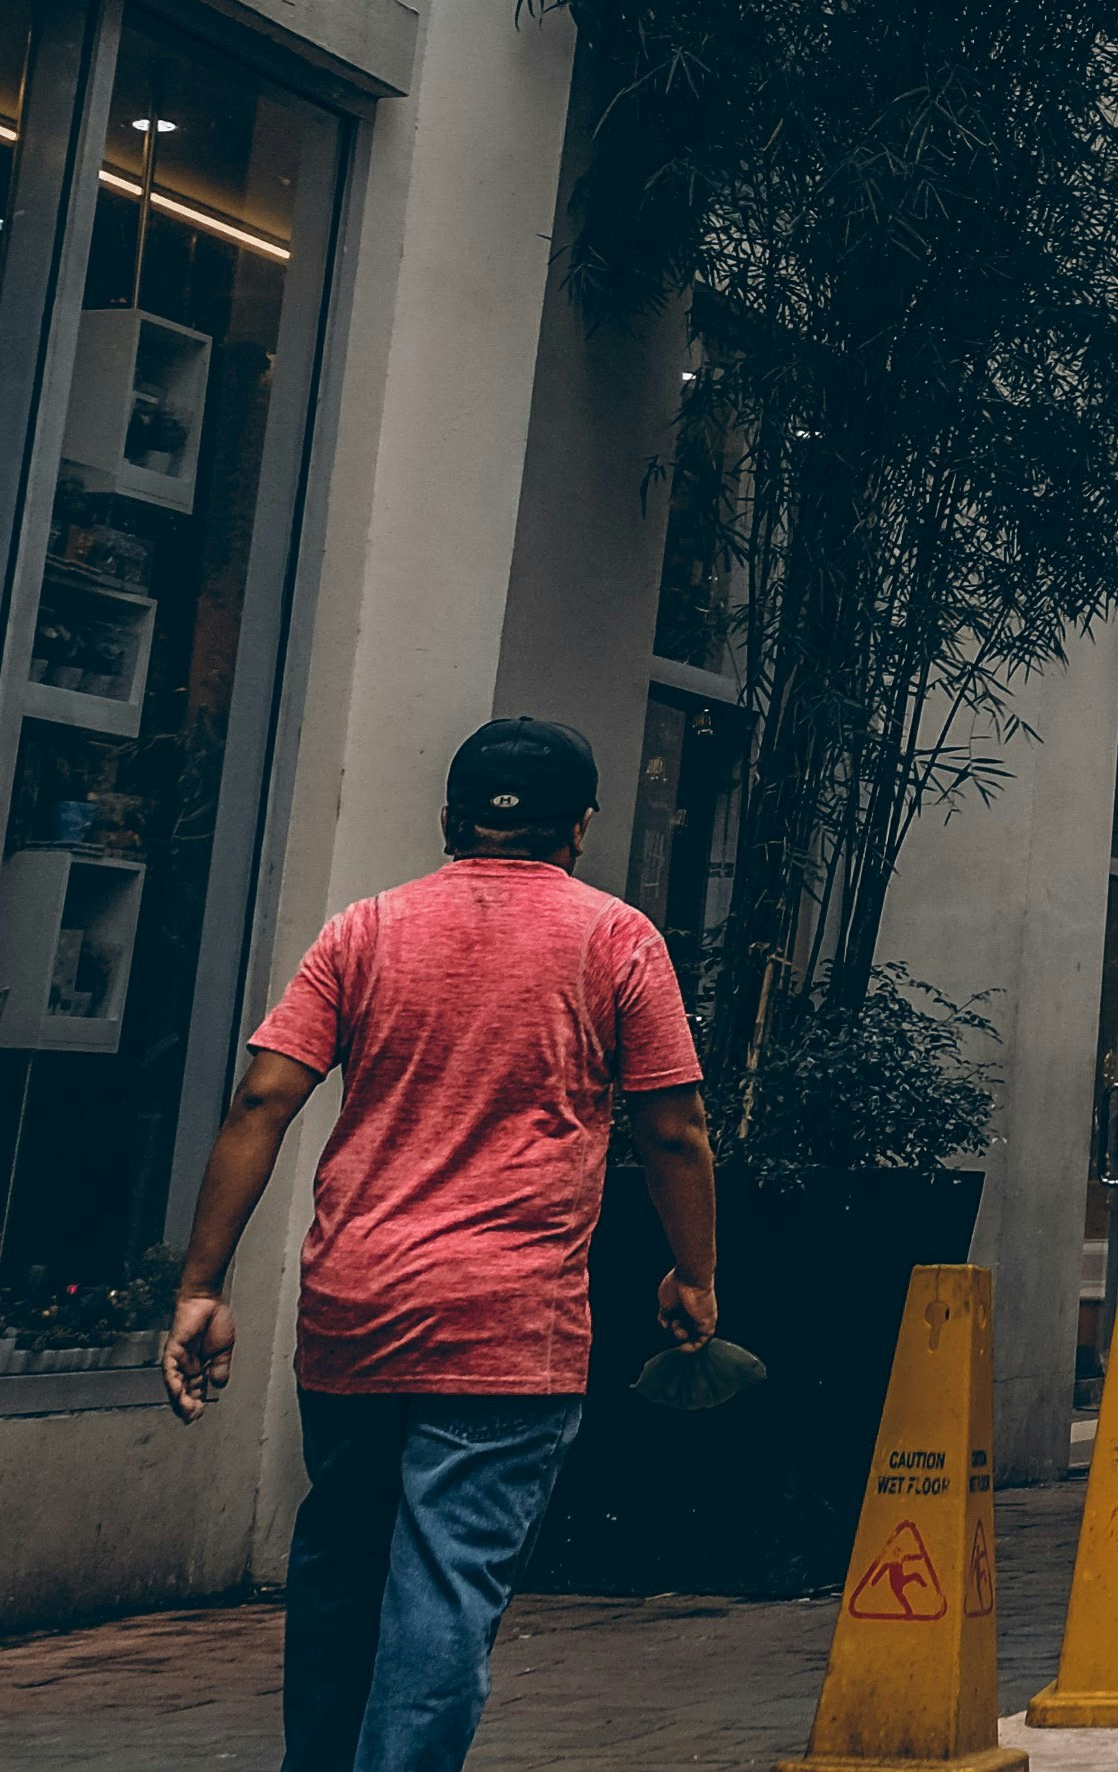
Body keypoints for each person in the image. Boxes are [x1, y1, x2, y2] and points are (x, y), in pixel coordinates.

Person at [159, 720, 714, 1772]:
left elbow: (263, 1096)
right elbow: (674, 1128)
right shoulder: (616, 939)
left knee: (341, 1575)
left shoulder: (364, 929)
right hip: (506, 1329)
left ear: (451, 819)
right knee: (443, 1592)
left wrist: (201, 1284)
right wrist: (695, 1274)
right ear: (581, 827)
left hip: (355, 1312)